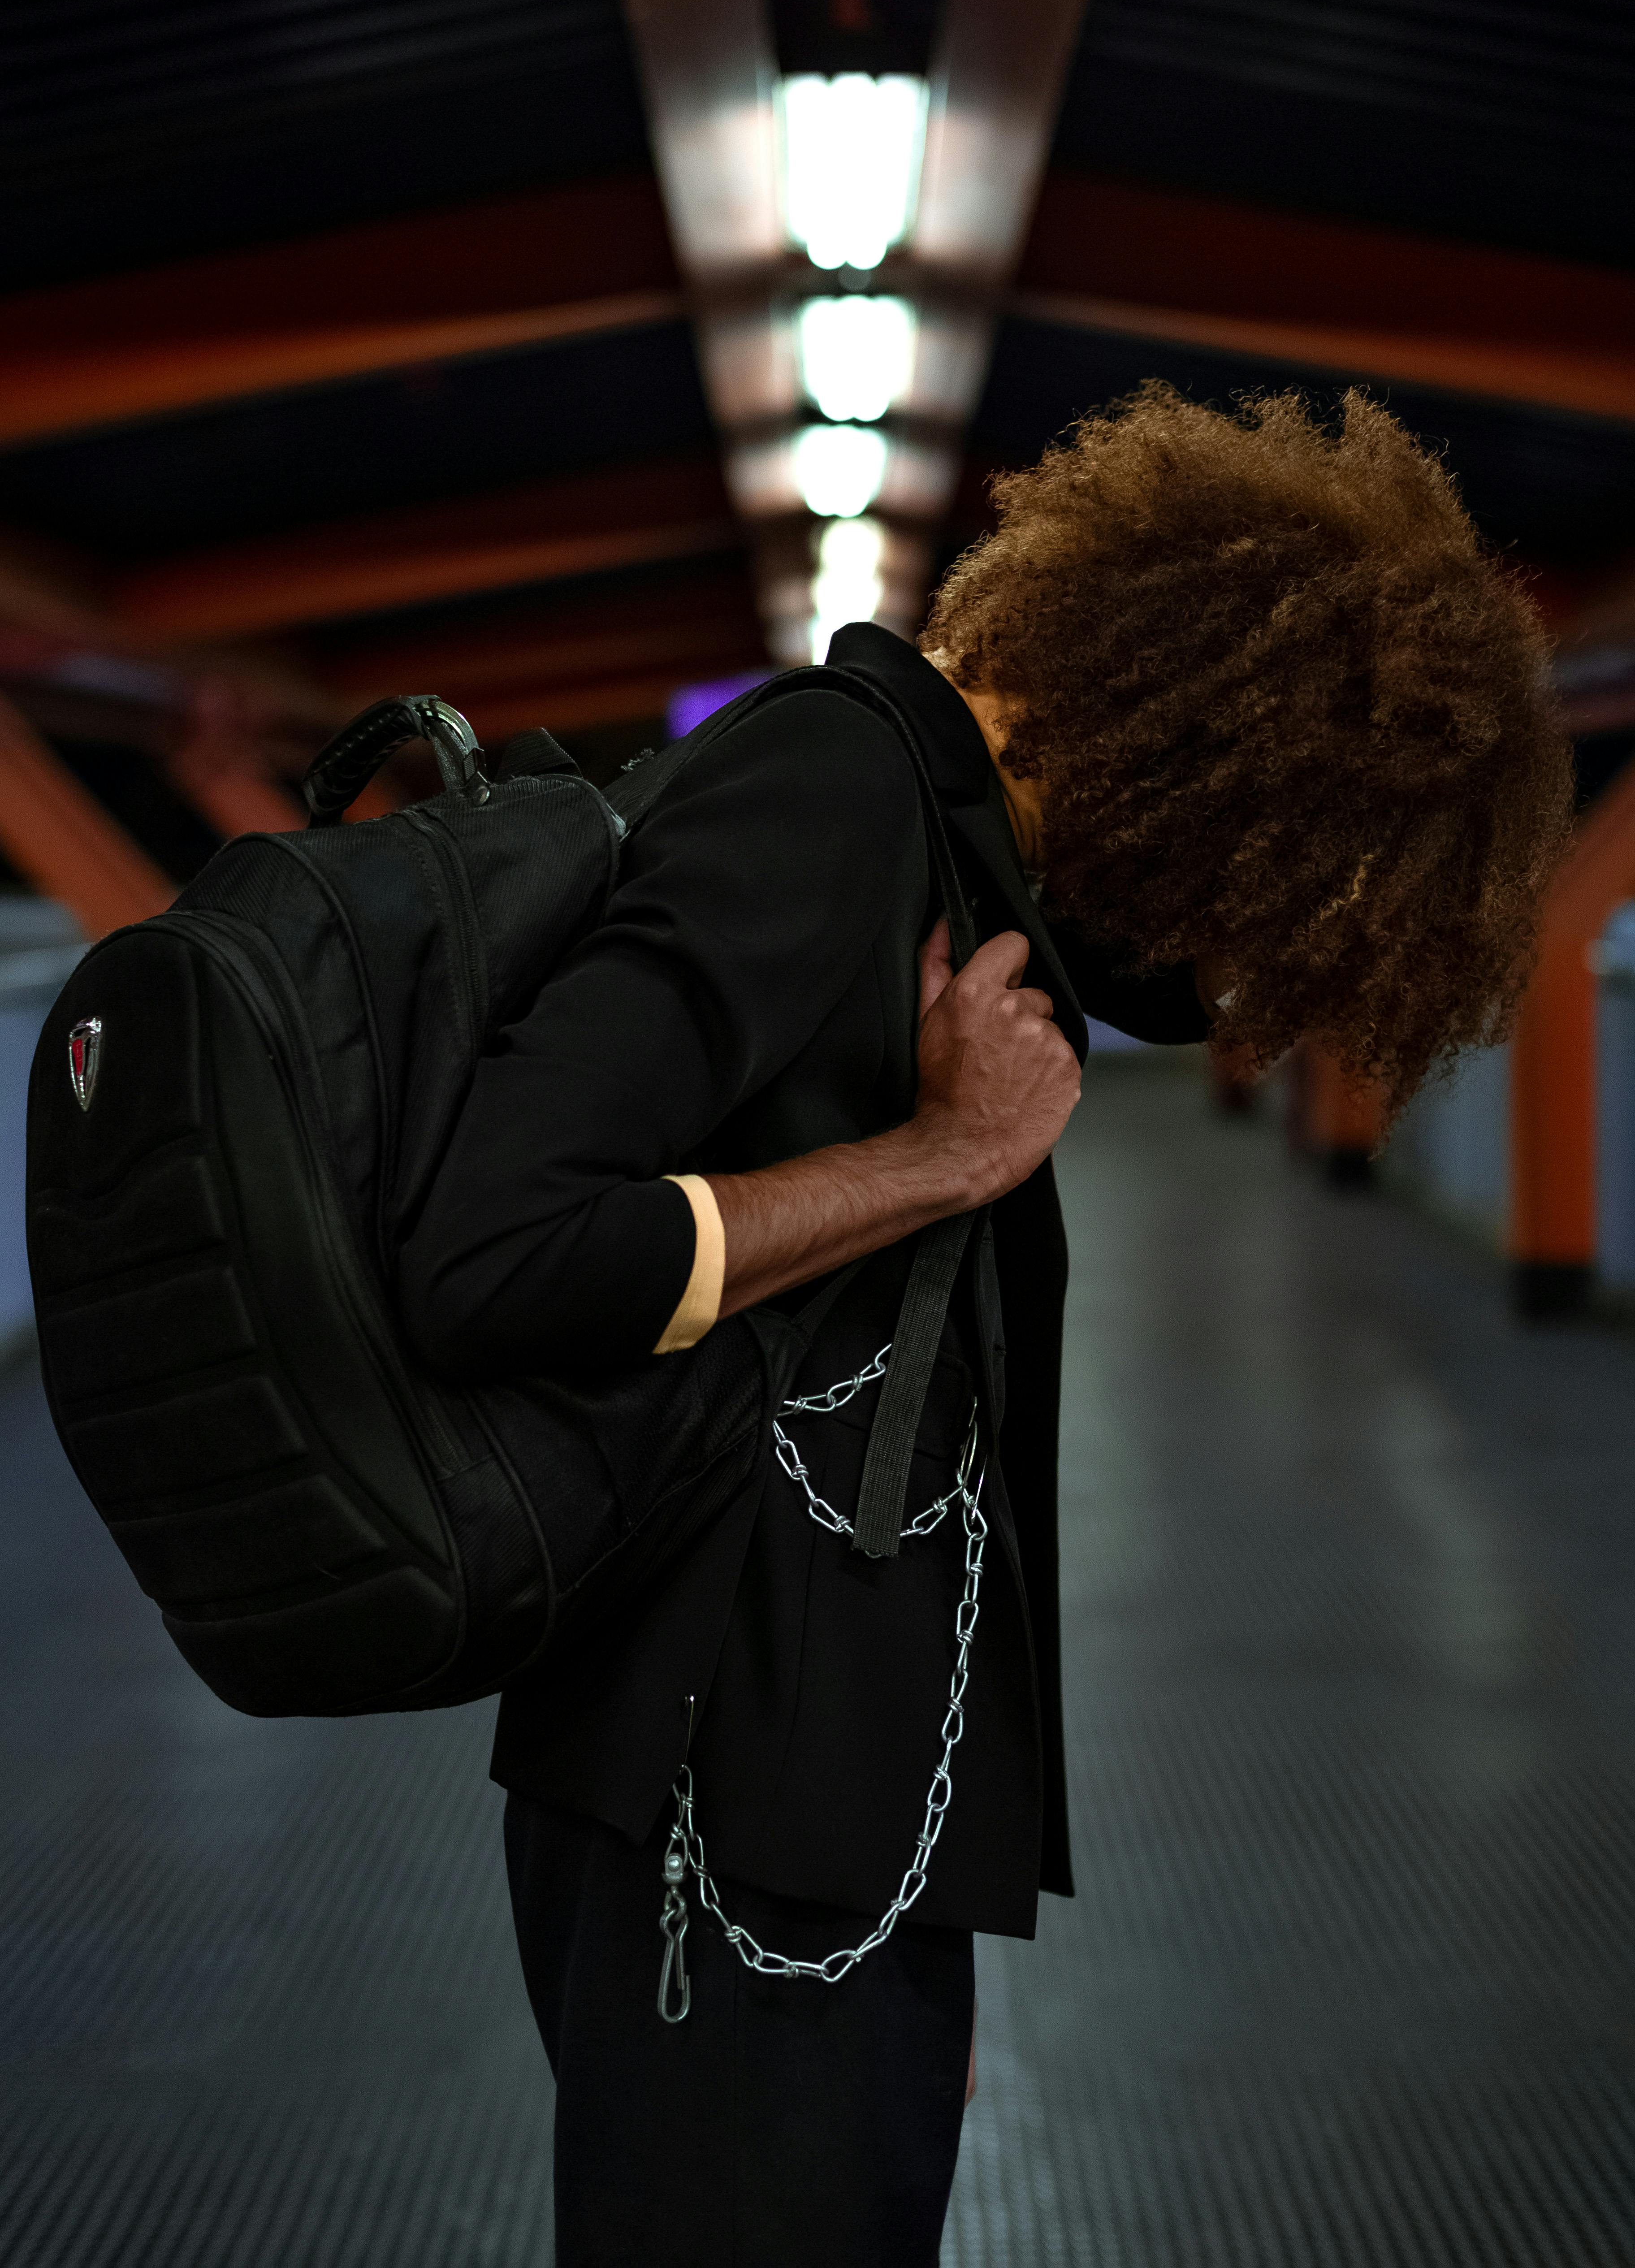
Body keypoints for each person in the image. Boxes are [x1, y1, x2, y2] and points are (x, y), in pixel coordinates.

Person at [400, 386, 1572, 2266]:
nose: (1224, 954)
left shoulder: (954, 859)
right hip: (726, 1829)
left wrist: (932, 1908)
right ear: (1224, 770)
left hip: (834, 1838)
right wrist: (945, 1158)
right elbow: (490, 1250)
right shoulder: (836, 796)